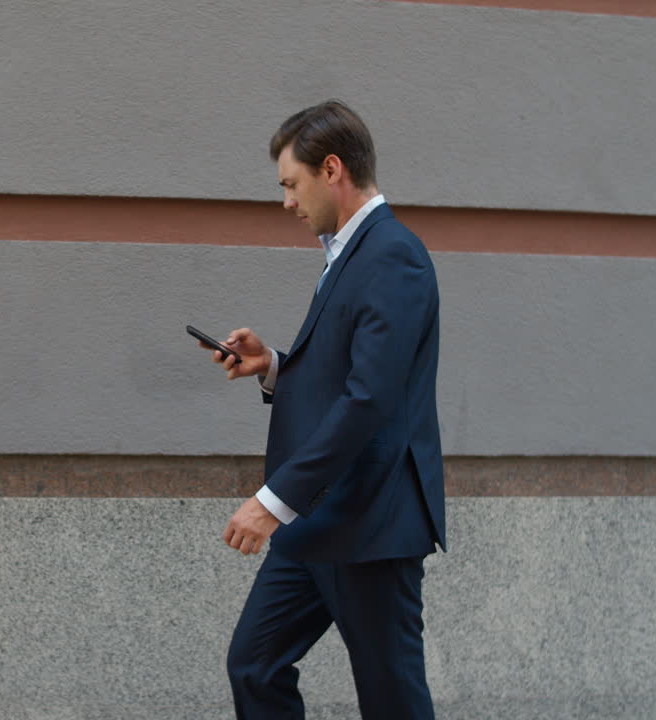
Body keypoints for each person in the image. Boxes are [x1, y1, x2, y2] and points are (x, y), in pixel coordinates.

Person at [200, 100, 445, 719]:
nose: (287, 201)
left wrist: (270, 502)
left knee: (392, 701)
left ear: (330, 169)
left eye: (291, 183)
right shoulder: (350, 251)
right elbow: (350, 376)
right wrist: (276, 366)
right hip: (317, 522)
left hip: (370, 524)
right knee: (254, 666)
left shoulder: (393, 254)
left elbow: (370, 400)